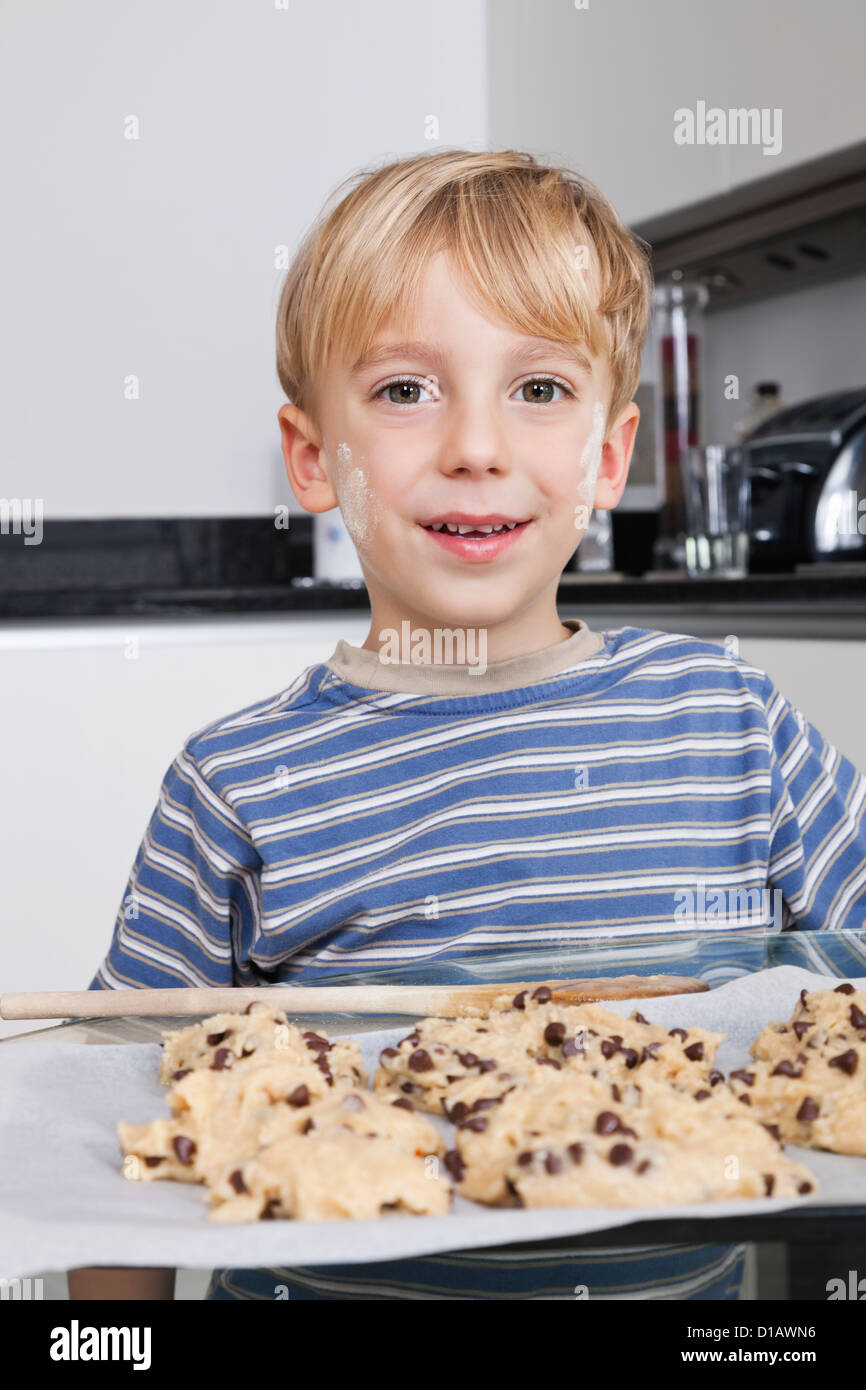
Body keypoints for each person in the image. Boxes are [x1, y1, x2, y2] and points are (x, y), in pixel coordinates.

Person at [69, 148, 866, 1302]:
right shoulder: (237, 784)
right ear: (312, 457)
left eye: (536, 389)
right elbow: (111, 1142)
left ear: (605, 456)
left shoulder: (733, 730)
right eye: (405, 390)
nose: (475, 447)